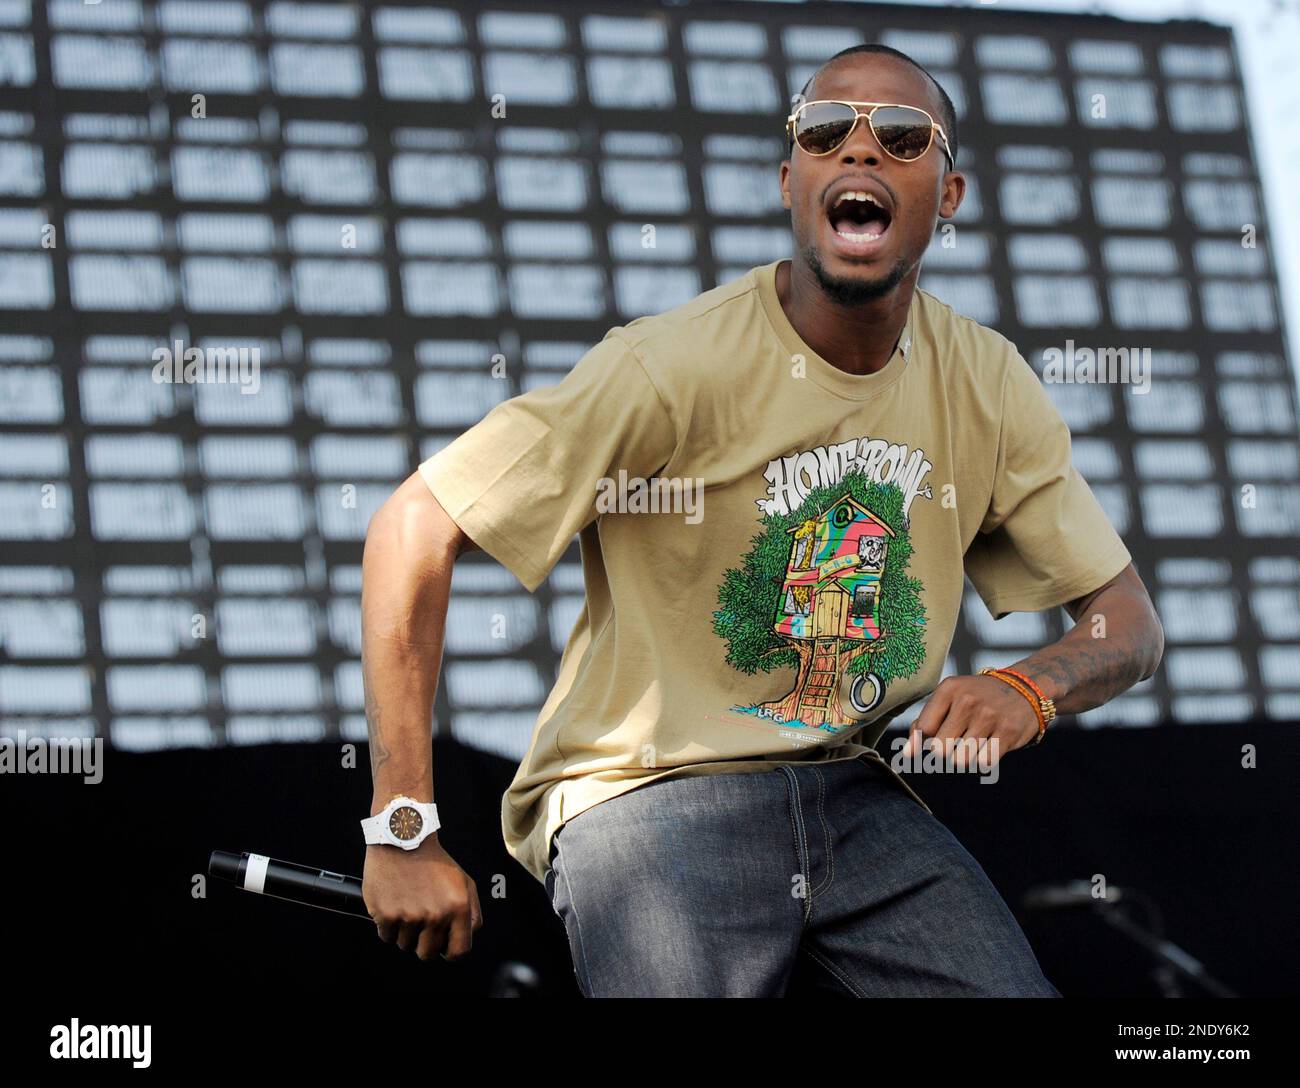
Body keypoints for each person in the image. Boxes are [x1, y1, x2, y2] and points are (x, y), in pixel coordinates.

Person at [357, 44, 1165, 997]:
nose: (860, 152)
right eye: (827, 131)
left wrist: (1028, 690)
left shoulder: (985, 381)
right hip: (646, 792)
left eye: (903, 137)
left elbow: (1129, 624)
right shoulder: (672, 366)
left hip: (854, 792)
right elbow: (414, 527)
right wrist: (402, 824)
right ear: (793, 180)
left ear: (948, 194)